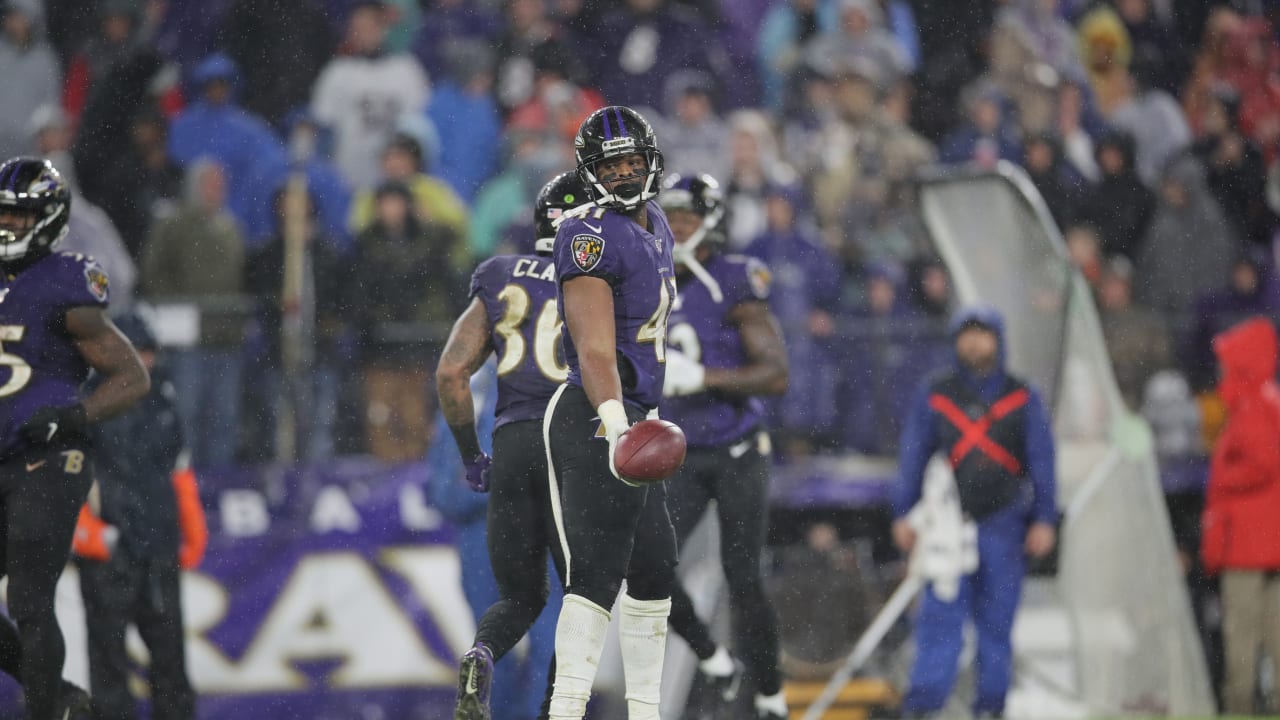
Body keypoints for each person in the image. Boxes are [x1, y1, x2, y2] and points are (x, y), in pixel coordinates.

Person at [0, 157, 150, 719]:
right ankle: (61, 699)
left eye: (18, 216)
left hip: (46, 457)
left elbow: (132, 377)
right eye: (2, 214)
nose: (7, 225)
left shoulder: (65, 282)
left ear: (46, 218)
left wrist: (72, 417)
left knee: (31, 600)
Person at [543, 105, 678, 720]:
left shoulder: (657, 222)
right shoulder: (587, 231)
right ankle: (566, 710)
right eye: (612, 164)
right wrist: (620, 427)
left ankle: (644, 711)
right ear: (589, 171)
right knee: (597, 572)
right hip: (597, 414)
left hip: (635, 411)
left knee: (654, 566)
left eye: (632, 161)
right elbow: (594, 345)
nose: (625, 174)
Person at [438, 172, 586, 720]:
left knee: (519, 601)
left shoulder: (500, 274)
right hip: (571, 447)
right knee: (581, 604)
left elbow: (450, 373)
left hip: (513, 444)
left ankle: (481, 653)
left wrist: (471, 457)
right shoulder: (598, 280)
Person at [657, 172, 791, 720]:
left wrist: (704, 377)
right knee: (648, 567)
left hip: (737, 447)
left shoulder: (733, 279)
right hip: (679, 450)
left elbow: (776, 374)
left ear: (711, 222)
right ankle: (712, 658)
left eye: (685, 216)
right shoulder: (647, 281)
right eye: (669, 216)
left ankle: (770, 694)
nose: (673, 226)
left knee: (743, 575)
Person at [892, 306, 1057, 718]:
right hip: (947, 529)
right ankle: (925, 707)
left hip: (1004, 526)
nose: (974, 342)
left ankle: (990, 707)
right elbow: (913, 455)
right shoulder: (936, 393)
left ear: (997, 340)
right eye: (967, 334)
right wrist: (903, 513)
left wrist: (1044, 518)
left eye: (982, 333)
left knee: (996, 629)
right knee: (939, 625)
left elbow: (1042, 460)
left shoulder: (1022, 395)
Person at [71, 311, 205, 720]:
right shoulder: (86, 402)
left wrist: (191, 525)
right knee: (108, 665)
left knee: (170, 660)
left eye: (148, 352)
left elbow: (178, 467)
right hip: (109, 553)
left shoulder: (163, 394)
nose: (145, 361)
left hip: (156, 544)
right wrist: (90, 534)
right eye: (136, 352)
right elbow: (68, 478)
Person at [1199, 317, 1280, 715]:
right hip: (1268, 541)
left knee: (1241, 635)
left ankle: (1240, 707)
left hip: (1248, 543)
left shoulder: (1251, 405)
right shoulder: (1269, 399)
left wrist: (1220, 481)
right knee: (1273, 630)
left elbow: (1262, 462)